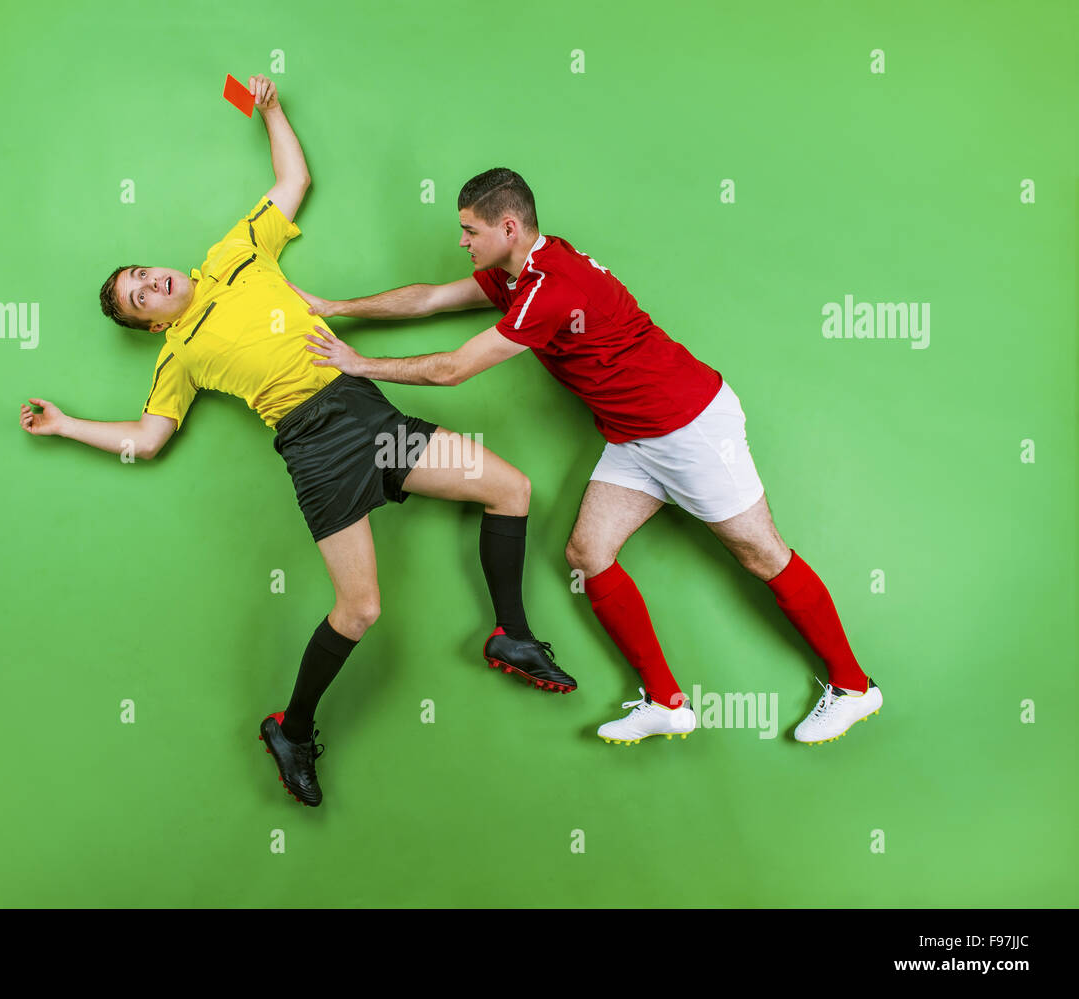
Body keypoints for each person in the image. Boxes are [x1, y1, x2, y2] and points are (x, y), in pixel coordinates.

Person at [18, 93, 576, 808]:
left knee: (512, 487)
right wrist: (68, 426)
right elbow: (148, 438)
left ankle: (511, 633)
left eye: (144, 275)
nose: (152, 284)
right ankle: (292, 727)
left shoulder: (233, 254)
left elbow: (292, 184)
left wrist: (271, 111)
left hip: (368, 411)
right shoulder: (178, 357)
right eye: (141, 300)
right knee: (362, 608)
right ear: (151, 324)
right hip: (314, 448)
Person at [293, 166, 882, 747]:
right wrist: (332, 306)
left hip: (690, 425)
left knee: (761, 553)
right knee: (587, 551)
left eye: (470, 230)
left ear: (507, 226)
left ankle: (854, 689)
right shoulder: (518, 272)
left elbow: (453, 370)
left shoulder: (552, 289)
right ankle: (665, 703)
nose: (462, 241)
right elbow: (428, 300)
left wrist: (361, 365)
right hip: (633, 437)